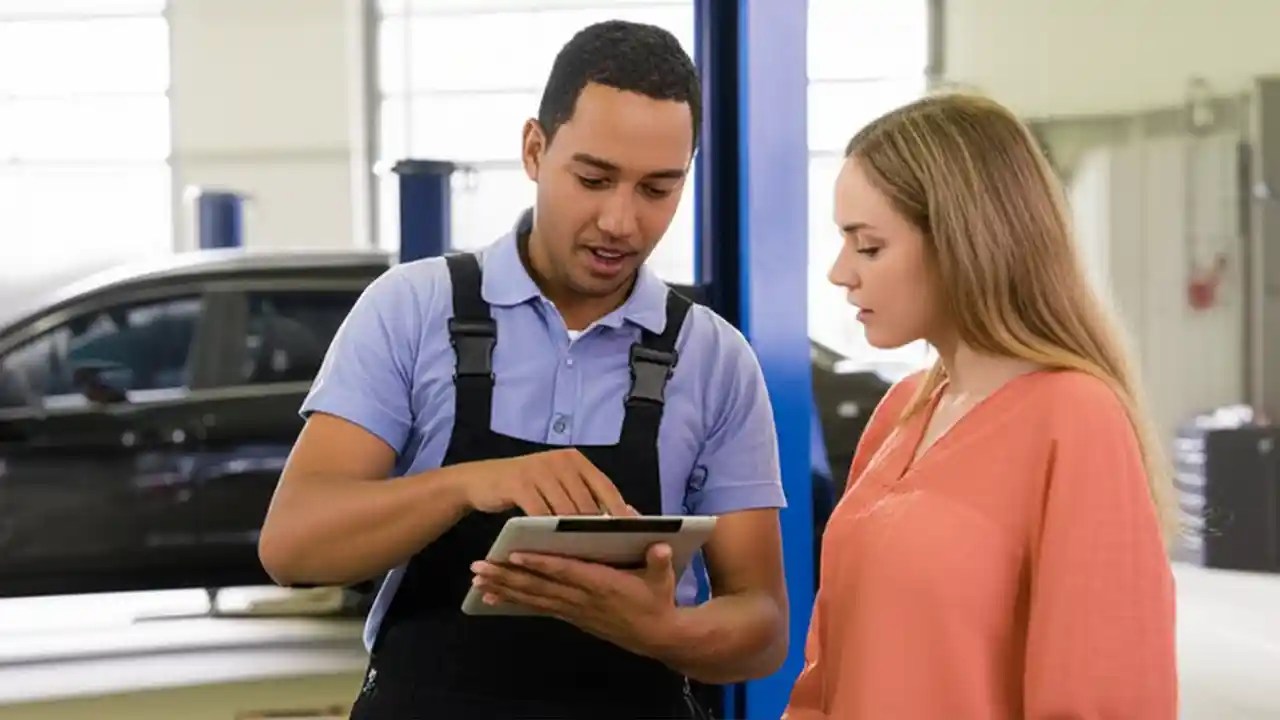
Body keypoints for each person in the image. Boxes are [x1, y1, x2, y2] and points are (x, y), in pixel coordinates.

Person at [257, 19, 790, 720]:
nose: (620, 221)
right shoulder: (413, 311)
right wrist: (470, 485)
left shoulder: (714, 359)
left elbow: (763, 627)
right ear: (535, 149)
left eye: (658, 190)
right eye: (594, 179)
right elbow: (293, 545)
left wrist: (663, 631)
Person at [783, 93, 1179, 719]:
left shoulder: (1074, 418)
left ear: (961, 242)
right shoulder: (901, 411)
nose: (839, 272)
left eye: (868, 246)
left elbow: (1099, 695)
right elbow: (828, 669)